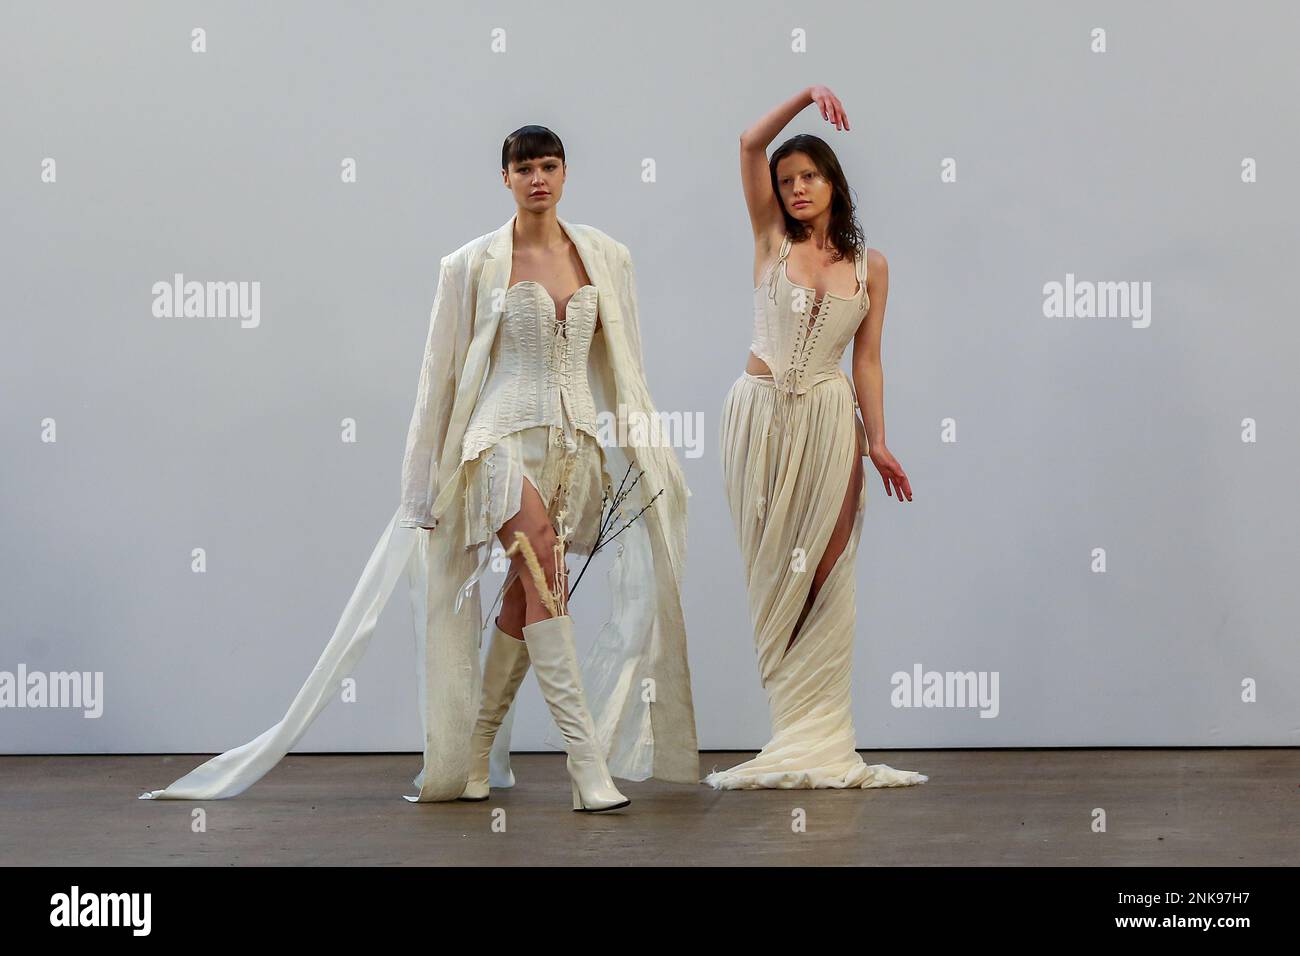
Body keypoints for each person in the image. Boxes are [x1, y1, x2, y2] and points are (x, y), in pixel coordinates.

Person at [139, 126, 698, 810]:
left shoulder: (606, 258)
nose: (538, 179)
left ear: (565, 172)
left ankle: (472, 759)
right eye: (524, 168)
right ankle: (587, 770)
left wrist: (645, 449)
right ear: (506, 178)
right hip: (496, 438)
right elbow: (438, 378)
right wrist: (418, 485)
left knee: (532, 593)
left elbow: (628, 367)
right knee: (541, 558)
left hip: (573, 444)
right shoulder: (471, 264)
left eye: (549, 166)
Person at [705, 86, 928, 790]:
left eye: (810, 177)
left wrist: (879, 440)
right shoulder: (771, 239)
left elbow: (867, 358)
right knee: (776, 570)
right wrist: (804, 96)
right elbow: (748, 143)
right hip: (759, 416)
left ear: (834, 184)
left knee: (830, 572)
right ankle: (790, 732)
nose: (797, 188)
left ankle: (825, 739)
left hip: (834, 423)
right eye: (787, 179)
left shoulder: (872, 267)